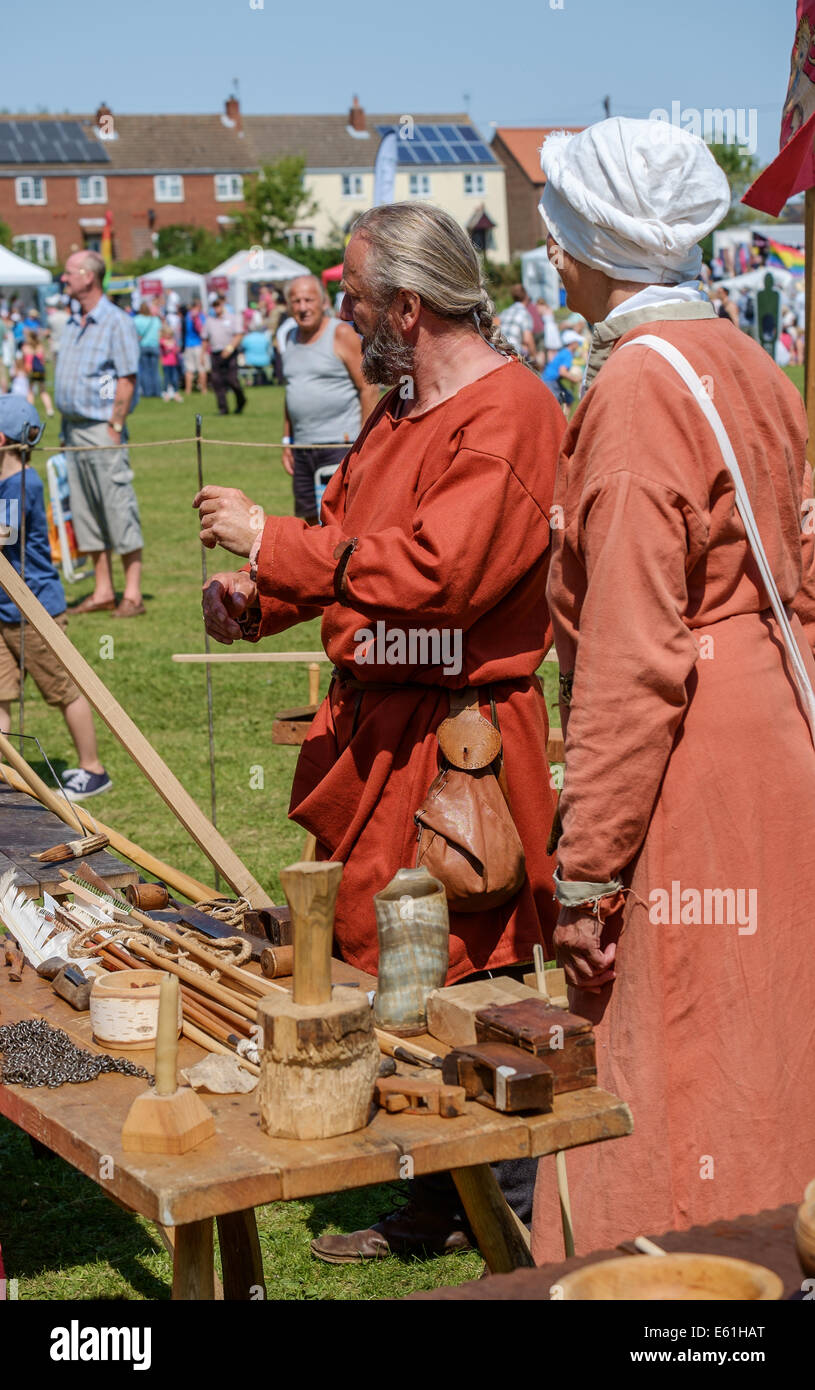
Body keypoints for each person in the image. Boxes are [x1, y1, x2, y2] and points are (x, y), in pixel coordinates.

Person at [194, 202, 565, 1260]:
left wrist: (274, 541)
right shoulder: (397, 411)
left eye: (354, 299)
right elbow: (348, 542)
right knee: (379, 959)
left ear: (406, 304)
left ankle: (503, 1200)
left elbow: (437, 576)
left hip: (458, 742)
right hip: (376, 731)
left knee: (463, 964)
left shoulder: (511, 414)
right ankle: (428, 1194)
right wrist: (257, 593)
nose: (343, 316)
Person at [532, 115, 815, 1261]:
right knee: (761, 1038)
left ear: (597, 238)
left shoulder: (642, 387)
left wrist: (588, 870)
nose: (549, 252)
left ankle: (680, 1292)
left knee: (678, 1054)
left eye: (559, 229)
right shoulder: (746, 355)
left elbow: (632, 653)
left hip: (691, 755)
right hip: (767, 730)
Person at [0, 397, 111, 799]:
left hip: (36, 612)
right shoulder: (4, 482)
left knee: (63, 690)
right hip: (2, 611)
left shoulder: (22, 484)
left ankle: (93, 770)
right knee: (0, 692)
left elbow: (4, 536)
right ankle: (4, 771)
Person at [54, 250, 144, 618]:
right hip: (73, 430)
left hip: (101, 429)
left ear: (89, 276)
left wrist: (115, 425)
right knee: (84, 509)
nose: (63, 279)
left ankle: (133, 594)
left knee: (117, 506)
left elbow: (127, 377)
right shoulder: (75, 321)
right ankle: (103, 589)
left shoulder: (115, 321)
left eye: (68, 273)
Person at [279, 274, 379, 525]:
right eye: (296, 301)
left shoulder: (340, 333)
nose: (303, 307)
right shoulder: (289, 337)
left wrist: (363, 442)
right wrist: (287, 440)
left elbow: (368, 387)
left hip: (339, 445)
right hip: (302, 448)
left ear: (322, 302)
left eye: (308, 300)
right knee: (309, 520)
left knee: (340, 518)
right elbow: (292, 391)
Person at [203, 298, 246, 416]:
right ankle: (223, 408)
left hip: (230, 352)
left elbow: (239, 335)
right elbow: (205, 338)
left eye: (218, 305)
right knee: (217, 381)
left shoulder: (232, 318)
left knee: (232, 380)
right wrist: (202, 355)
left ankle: (241, 401)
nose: (217, 308)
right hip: (215, 353)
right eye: (214, 306)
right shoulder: (209, 321)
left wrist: (230, 348)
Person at [541, 328, 583, 413]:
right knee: (555, 404)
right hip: (550, 381)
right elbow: (562, 372)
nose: (579, 344)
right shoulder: (568, 354)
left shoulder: (564, 351)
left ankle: (564, 420)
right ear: (572, 343)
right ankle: (562, 421)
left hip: (549, 380)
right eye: (577, 342)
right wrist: (575, 379)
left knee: (569, 399)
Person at [133, 300, 162, 398]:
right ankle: (157, 391)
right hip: (154, 346)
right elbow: (159, 333)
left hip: (143, 346)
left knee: (145, 370)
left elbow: (134, 334)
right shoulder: (155, 320)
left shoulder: (136, 319)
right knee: (155, 370)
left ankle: (147, 392)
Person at [498, 284, 536, 359]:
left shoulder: (505, 311)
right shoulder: (525, 314)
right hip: (512, 353)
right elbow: (527, 339)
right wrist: (535, 357)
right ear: (526, 296)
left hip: (499, 350)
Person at [22, 333, 54, 417]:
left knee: (30, 391)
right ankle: (49, 410)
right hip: (41, 371)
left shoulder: (26, 347)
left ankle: (29, 410)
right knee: (43, 391)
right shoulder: (40, 346)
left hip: (32, 371)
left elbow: (26, 362)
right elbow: (43, 360)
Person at [183, 299, 208, 396]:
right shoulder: (201, 316)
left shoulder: (187, 316)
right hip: (199, 345)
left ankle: (188, 390)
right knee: (201, 368)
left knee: (189, 370)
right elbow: (204, 332)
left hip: (188, 345)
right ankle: (203, 390)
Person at [159, 321, 182, 401]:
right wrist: (171, 344)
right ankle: (165, 393)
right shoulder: (162, 341)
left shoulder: (173, 341)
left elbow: (176, 349)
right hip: (166, 363)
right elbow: (165, 345)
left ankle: (176, 393)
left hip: (174, 363)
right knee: (166, 378)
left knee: (174, 378)